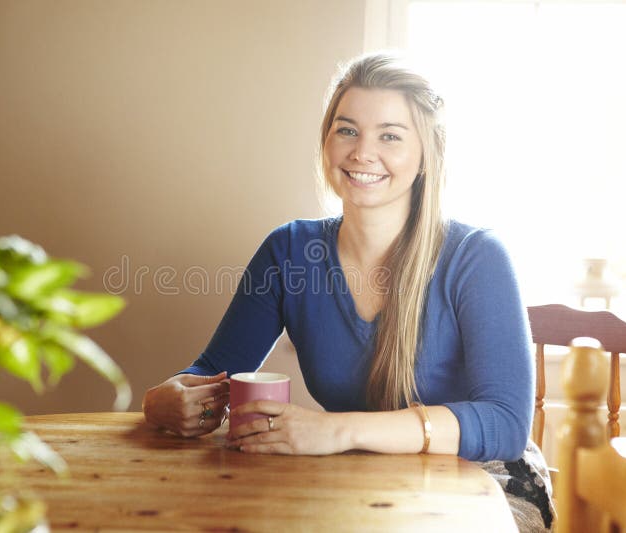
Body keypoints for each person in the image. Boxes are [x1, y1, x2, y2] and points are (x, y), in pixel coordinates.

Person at [142, 52, 554, 531]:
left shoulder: (477, 257)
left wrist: (336, 429)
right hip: (357, 479)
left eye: (390, 136)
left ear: (426, 155)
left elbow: (503, 425)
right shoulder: (289, 251)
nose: (362, 153)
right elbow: (212, 375)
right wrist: (162, 401)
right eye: (347, 129)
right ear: (327, 142)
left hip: (485, 483)